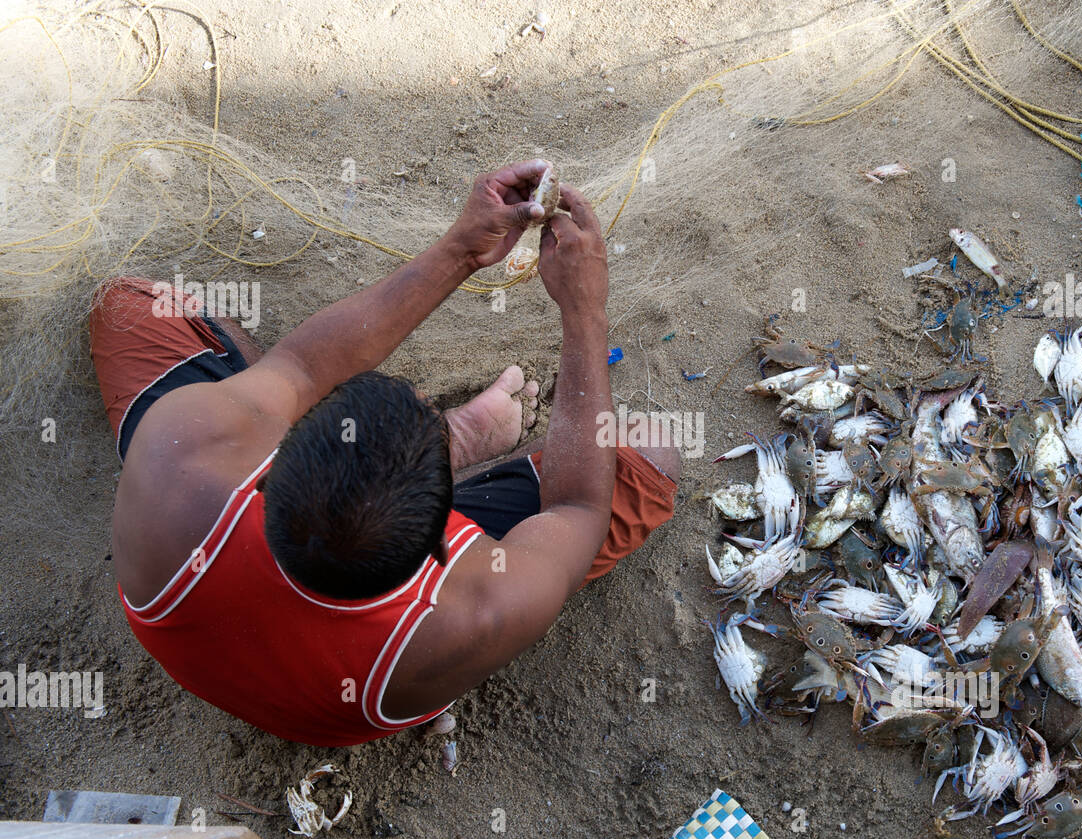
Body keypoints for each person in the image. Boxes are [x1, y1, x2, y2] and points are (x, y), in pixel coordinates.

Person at [91, 161, 678, 746]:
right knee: (654, 451)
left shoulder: (181, 455)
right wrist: (585, 313)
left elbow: (299, 367)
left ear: (273, 468)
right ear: (447, 542)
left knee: (126, 305)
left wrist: (462, 251)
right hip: (379, 669)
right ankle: (456, 441)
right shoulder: (476, 608)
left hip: (210, 595)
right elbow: (577, 508)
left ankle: (450, 440)